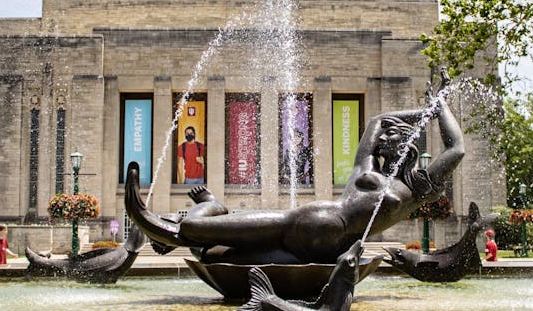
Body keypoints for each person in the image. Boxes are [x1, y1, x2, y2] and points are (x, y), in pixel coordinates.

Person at [127, 70, 465, 264]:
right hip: (307, 222)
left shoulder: (415, 188)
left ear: (406, 146)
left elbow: (456, 149)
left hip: (327, 242)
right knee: (210, 249)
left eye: (391, 136)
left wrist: (441, 108)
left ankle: (204, 210)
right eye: (384, 136)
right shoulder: (366, 167)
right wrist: (424, 112)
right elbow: (376, 120)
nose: (382, 138)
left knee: (201, 239)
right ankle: (202, 211)